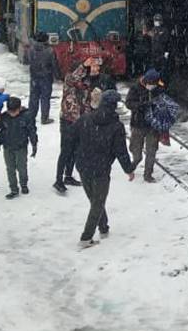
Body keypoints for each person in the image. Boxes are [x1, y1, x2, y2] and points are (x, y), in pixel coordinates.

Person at [74, 90, 136, 246]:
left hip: (83, 165)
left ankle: (103, 227)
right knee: (98, 202)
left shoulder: (85, 119)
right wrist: (128, 169)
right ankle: (86, 237)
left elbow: (72, 140)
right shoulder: (116, 126)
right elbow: (121, 151)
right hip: (101, 168)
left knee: (95, 200)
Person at [56, 57, 101, 193]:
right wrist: (84, 65)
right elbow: (74, 77)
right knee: (65, 151)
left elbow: (88, 103)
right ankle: (58, 179)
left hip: (80, 121)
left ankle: (68, 176)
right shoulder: (69, 81)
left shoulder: (87, 84)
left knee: (75, 150)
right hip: (68, 120)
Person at [0, 96, 37, 199]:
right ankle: (13, 188)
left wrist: (34, 144)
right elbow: (1, 132)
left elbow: (32, 131)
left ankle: (24, 184)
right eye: (10, 111)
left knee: (22, 167)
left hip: (21, 147)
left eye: (14, 111)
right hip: (7, 146)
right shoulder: (4, 117)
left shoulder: (27, 116)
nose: (12, 114)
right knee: (10, 168)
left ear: (19, 108)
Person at [125, 69, 164, 183]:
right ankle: (133, 163)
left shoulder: (159, 88)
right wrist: (142, 105)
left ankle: (148, 174)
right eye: (151, 84)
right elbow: (129, 103)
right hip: (138, 124)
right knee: (136, 151)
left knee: (152, 151)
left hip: (153, 125)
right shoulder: (135, 88)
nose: (152, 86)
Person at [26, 32, 57, 125]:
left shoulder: (31, 49)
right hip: (46, 77)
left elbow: (27, 60)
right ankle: (44, 118)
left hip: (34, 77)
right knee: (45, 98)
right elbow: (54, 65)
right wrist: (58, 75)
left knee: (33, 97)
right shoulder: (50, 51)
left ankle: (31, 117)